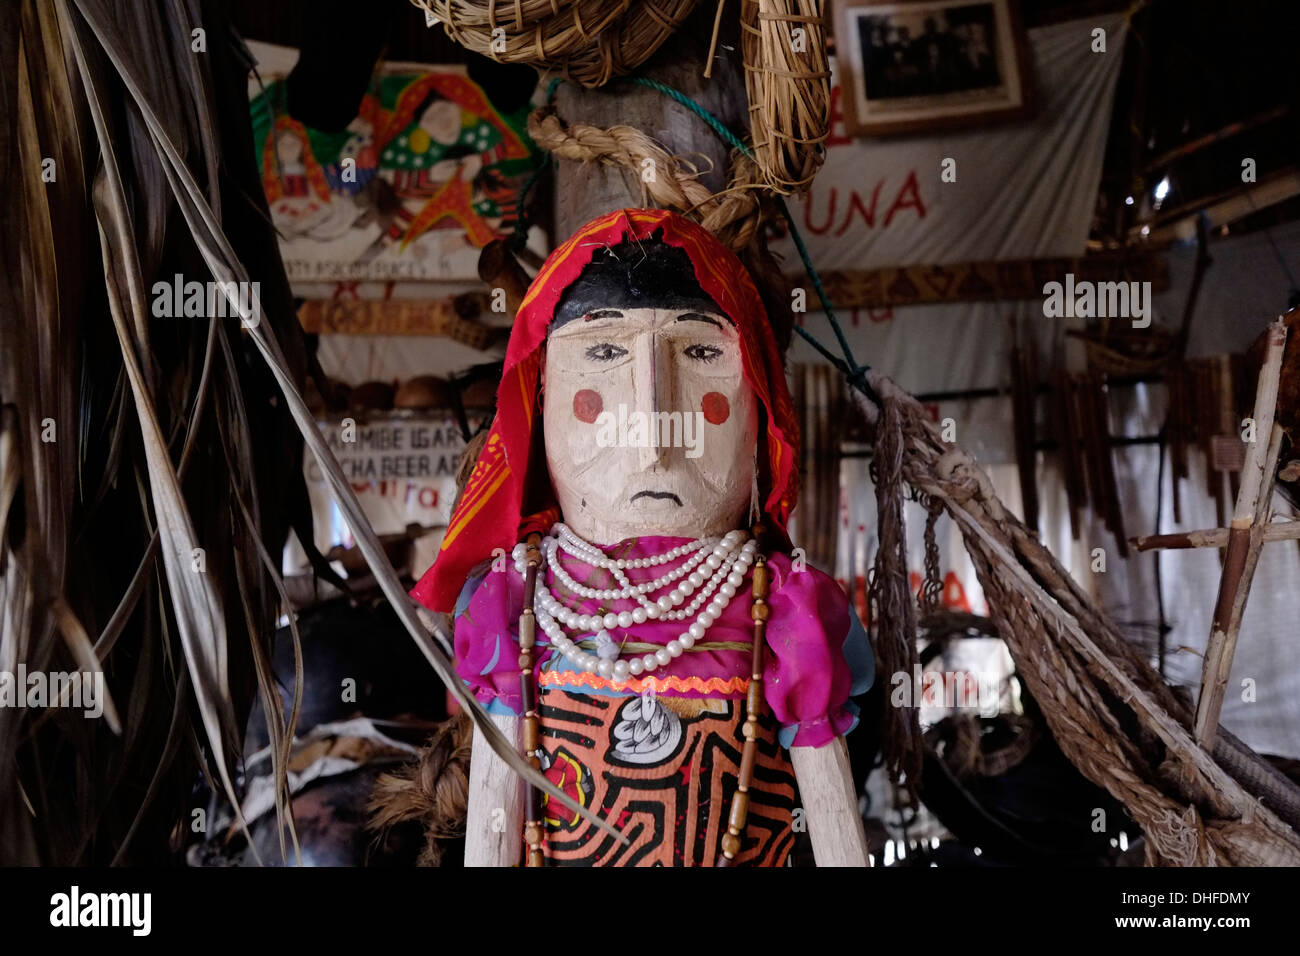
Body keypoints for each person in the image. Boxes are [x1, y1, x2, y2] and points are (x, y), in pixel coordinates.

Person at [411, 209, 873, 866]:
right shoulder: (517, 605)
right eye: (602, 353)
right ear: (538, 406)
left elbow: (838, 835)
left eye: (703, 353)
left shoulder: (787, 612)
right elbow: (494, 832)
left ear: (762, 407)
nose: (653, 431)